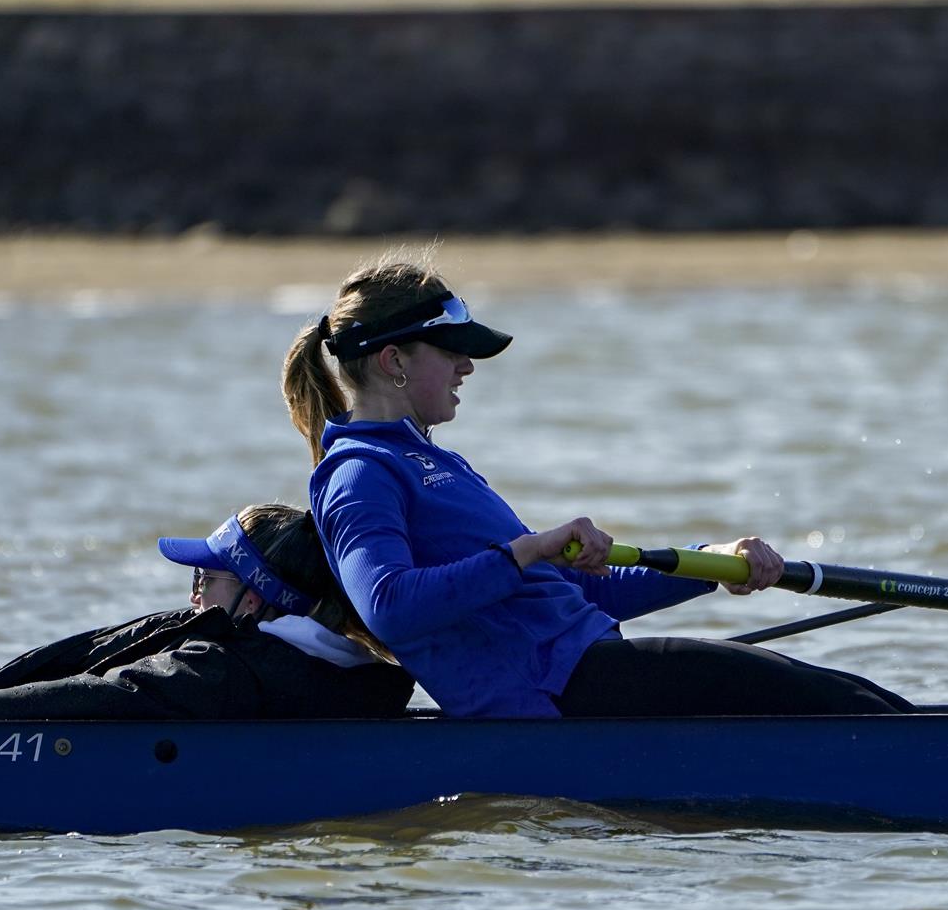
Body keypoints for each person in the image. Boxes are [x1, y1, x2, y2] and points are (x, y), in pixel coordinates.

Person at [279, 255, 912, 719]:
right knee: (839, 706)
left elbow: (581, 589)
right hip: (553, 692)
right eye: (450, 351)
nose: (467, 366)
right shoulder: (358, 473)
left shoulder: (435, 464)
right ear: (393, 361)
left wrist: (714, 562)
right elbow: (387, 606)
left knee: (857, 698)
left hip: (584, 668)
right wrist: (525, 550)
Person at [0, 504, 413, 720]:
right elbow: (107, 648)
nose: (193, 597)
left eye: (205, 580)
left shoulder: (226, 668)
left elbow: (103, 694)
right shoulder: (348, 668)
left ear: (254, 599)